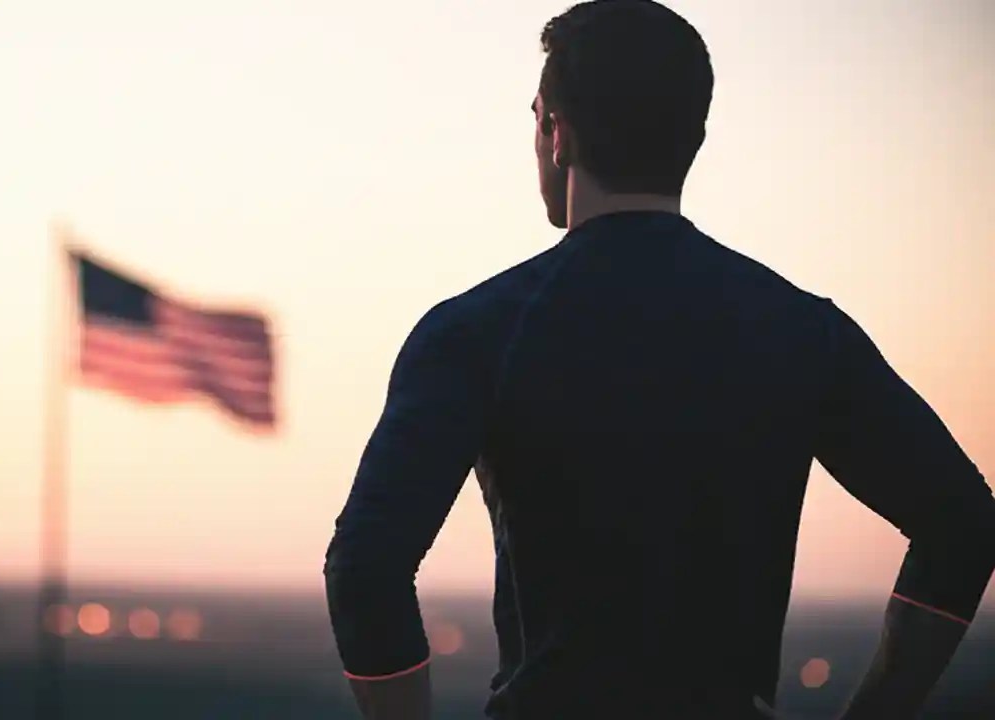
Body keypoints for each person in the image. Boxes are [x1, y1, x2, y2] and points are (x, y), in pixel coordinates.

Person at [321, 1, 995, 718]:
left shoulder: (478, 331)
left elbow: (366, 570)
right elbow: (961, 524)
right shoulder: (800, 330)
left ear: (557, 133)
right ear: (695, 136)